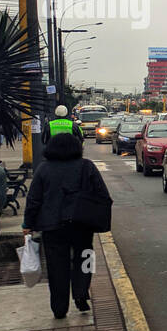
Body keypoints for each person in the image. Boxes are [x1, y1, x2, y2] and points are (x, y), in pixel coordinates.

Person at [23, 131, 112, 319]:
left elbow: (34, 199)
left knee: (56, 267)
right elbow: (102, 195)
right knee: (86, 257)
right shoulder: (86, 166)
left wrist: (28, 223)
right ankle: (81, 292)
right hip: (82, 223)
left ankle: (59, 307)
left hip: (52, 225)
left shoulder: (43, 169)